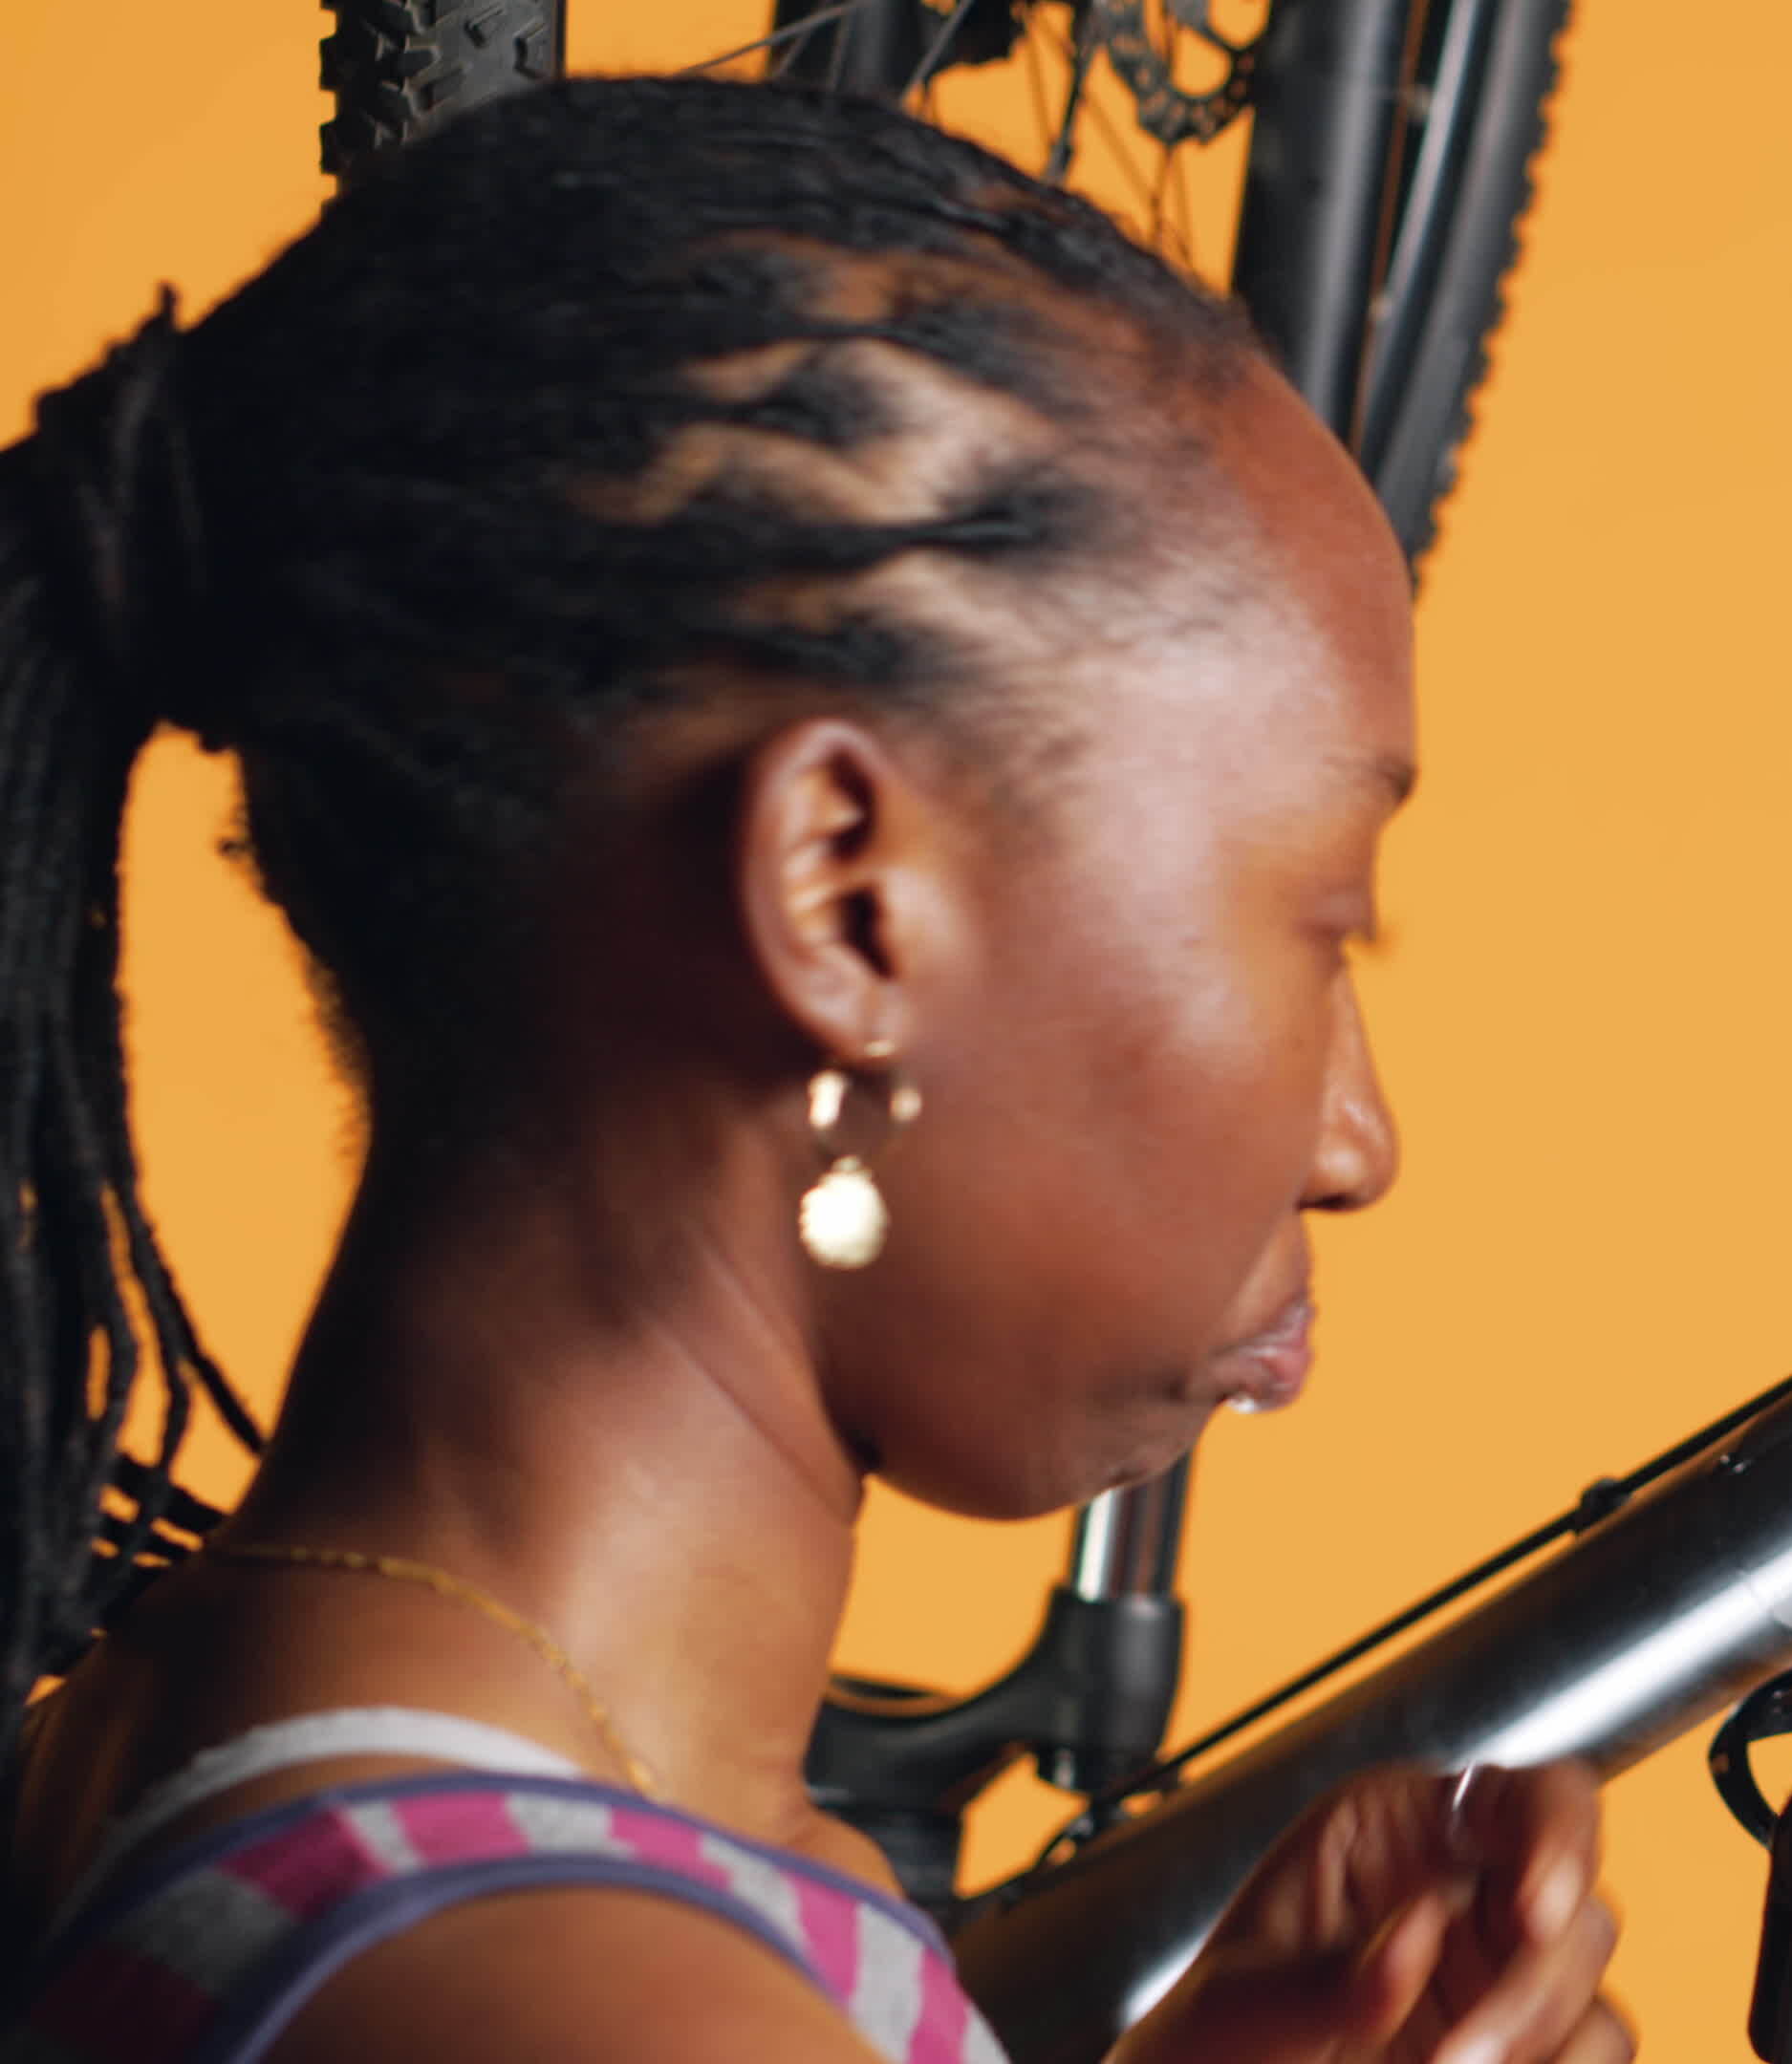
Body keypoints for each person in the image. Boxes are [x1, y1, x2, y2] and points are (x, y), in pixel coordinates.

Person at [0, 75, 1628, 2064]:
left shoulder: (210, 1741)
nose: (1359, 1143)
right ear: (847, 899)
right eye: (1326, 924)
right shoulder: (579, 2003)